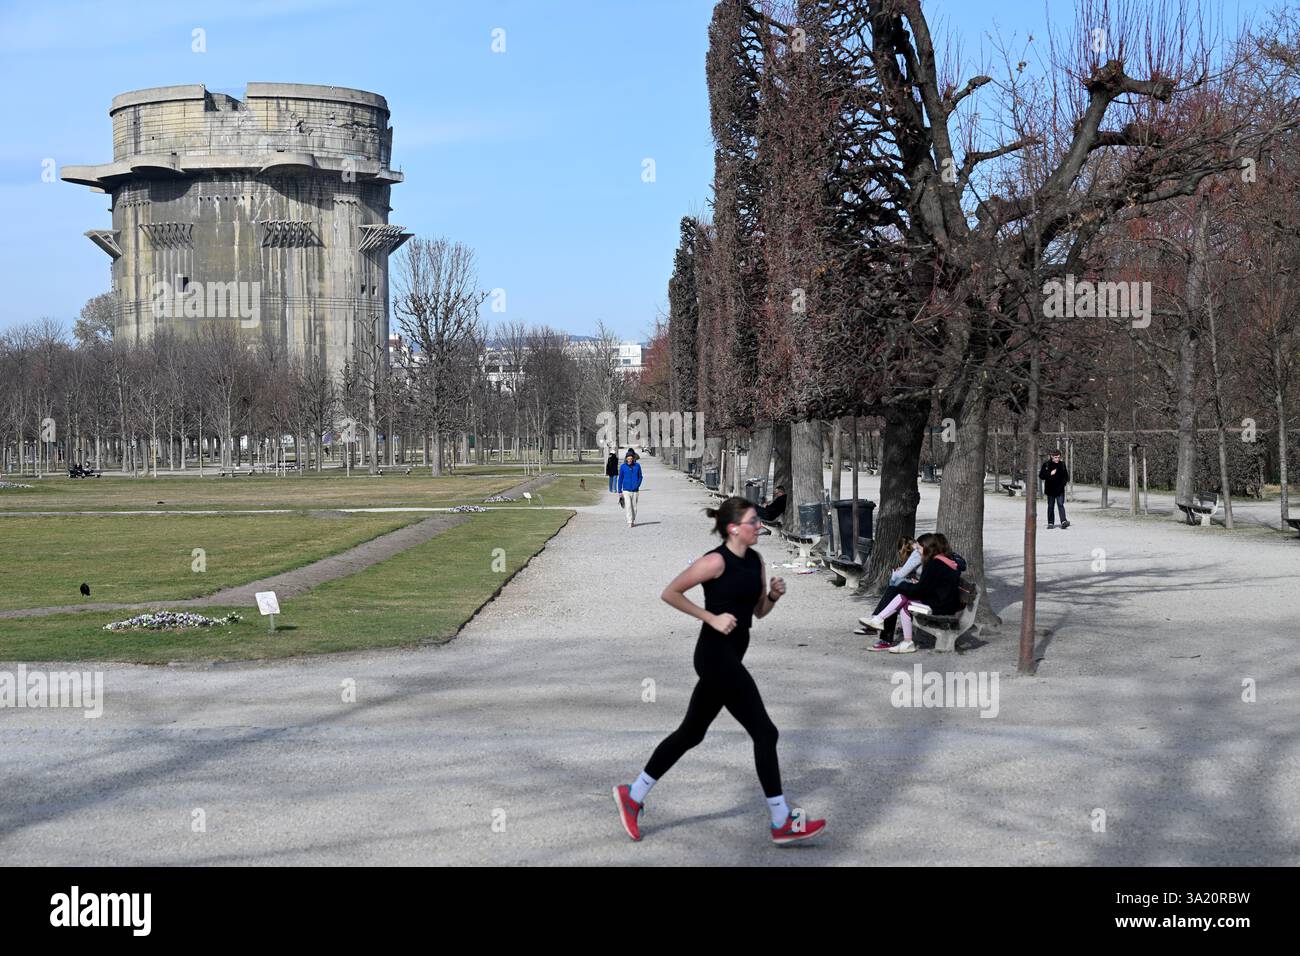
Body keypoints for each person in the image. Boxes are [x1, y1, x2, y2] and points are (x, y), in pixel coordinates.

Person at [613, 496, 826, 846]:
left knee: (691, 733)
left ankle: (632, 795)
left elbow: (757, 613)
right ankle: (781, 819)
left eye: (758, 521)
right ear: (733, 528)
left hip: (733, 656)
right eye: (753, 521)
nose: (759, 526)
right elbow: (671, 592)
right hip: (713, 656)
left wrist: (771, 596)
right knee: (766, 732)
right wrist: (710, 617)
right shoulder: (715, 561)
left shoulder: (756, 561)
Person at [860, 533, 966, 652]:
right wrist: (907, 585)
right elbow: (927, 588)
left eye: (919, 548)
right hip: (942, 602)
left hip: (940, 606)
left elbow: (920, 590)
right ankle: (904, 640)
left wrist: (903, 585)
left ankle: (880, 621)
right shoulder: (940, 561)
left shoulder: (935, 564)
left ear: (927, 548)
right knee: (901, 596)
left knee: (901, 595)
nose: (917, 551)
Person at [1039, 450, 1070, 529]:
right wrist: (1050, 473)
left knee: (1060, 504)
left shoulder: (1062, 464)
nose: (1057, 459)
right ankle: (1050, 523)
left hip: (1060, 490)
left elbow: (1066, 476)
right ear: (1052, 456)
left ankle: (1063, 521)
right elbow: (1041, 475)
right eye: (1056, 457)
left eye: (1059, 457)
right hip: (1050, 489)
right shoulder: (1046, 464)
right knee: (1050, 506)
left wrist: (1063, 484)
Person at [618, 448, 643, 528]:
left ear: (633, 459)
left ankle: (633, 519)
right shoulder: (623, 467)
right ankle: (629, 521)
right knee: (628, 506)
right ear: (626, 459)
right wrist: (619, 491)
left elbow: (640, 477)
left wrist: (637, 485)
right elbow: (620, 479)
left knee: (634, 507)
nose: (629, 460)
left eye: (631, 458)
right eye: (628, 458)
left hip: (635, 490)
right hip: (626, 490)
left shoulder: (637, 466)